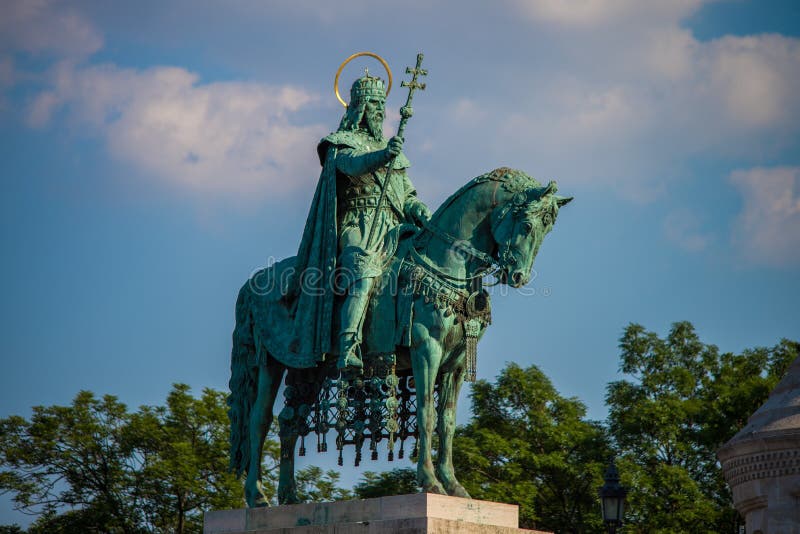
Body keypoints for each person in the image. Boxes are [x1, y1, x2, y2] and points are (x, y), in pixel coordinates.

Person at [286, 73, 430, 371]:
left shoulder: (393, 154)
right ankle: (349, 345)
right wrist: (383, 155)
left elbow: (406, 194)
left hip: (391, 229)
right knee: (364, 274)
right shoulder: (340, 144)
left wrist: (420, 209)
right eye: (375, 103)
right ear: (360, 106)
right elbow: (353, 166)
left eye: (383, 104)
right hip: (357, 227)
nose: (380, 110)